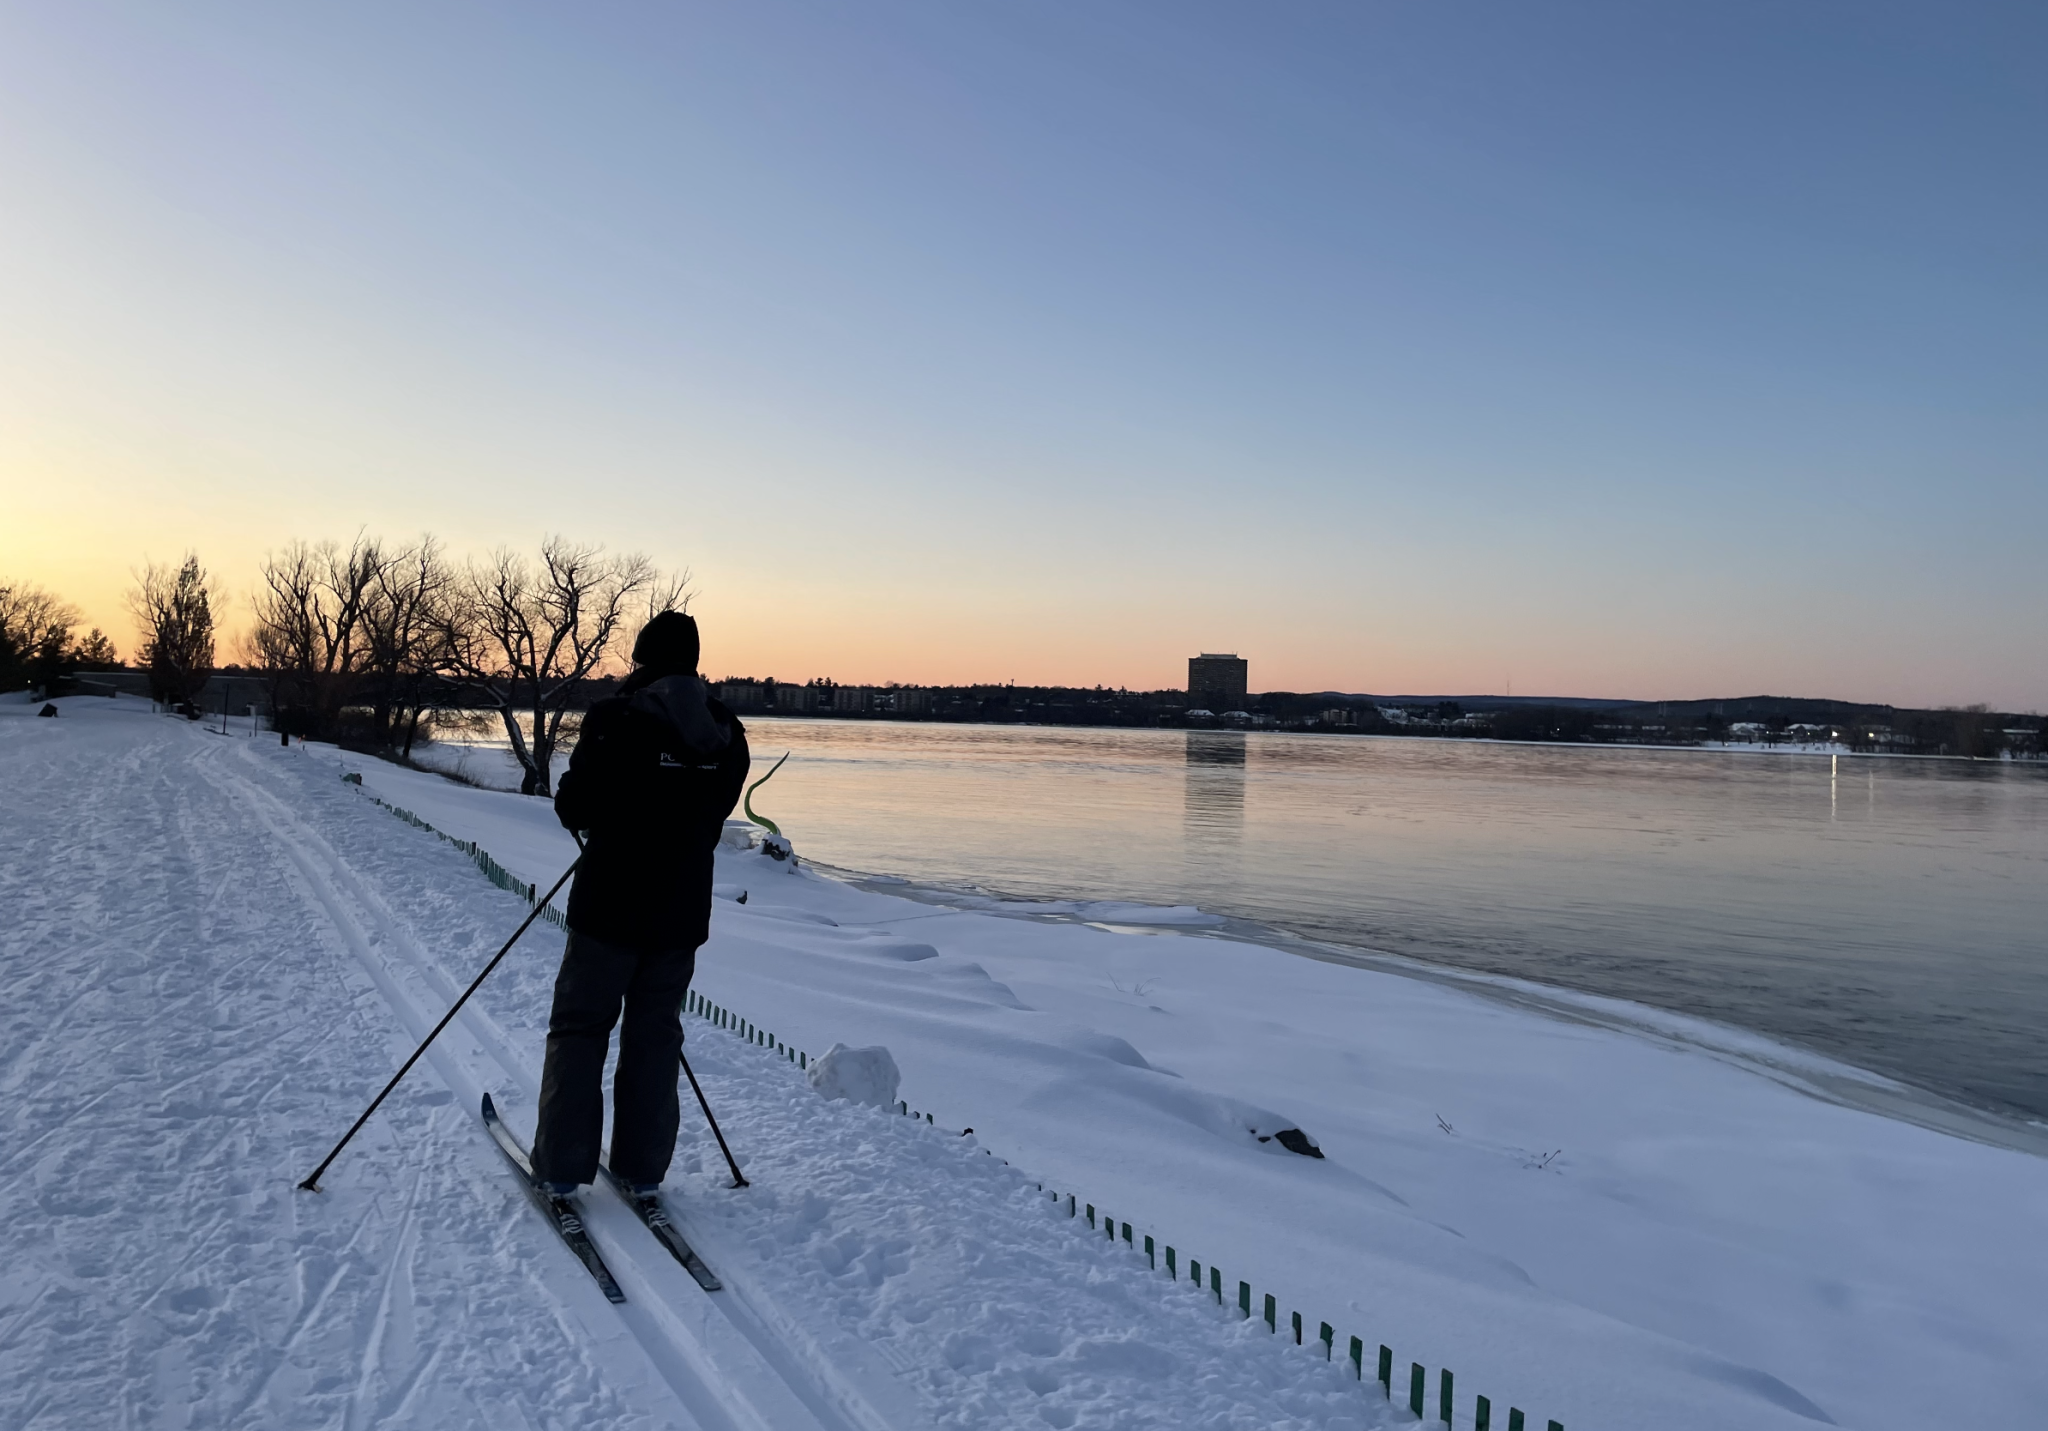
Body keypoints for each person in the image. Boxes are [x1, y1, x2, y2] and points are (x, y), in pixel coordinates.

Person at [531, 610, 750, 1197]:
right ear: (693, 662)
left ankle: (561, 1168)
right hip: (679, 915)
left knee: (580, 1030)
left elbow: (574, 805)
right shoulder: (727, 732)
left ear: (642, 660)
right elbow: (712, 814)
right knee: (656, 1037)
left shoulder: (613, 719)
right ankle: (642, 1168)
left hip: (608, 907)